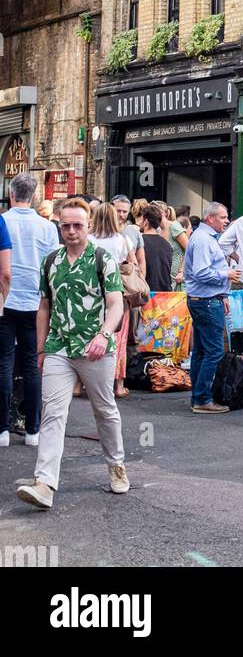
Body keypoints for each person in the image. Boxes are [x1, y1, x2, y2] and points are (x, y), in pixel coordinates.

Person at [15, 198, 128, 510]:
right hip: (58, 348)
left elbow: (116, 302)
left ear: (89, 226)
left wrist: (104, 335)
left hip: (96, 348)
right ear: (59, 226)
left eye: (78, 225)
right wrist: (40, 348)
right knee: (53, 413)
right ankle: (45, 483)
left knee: (105, 411)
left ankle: (116, 465)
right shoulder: (51, 261)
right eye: (65, 225)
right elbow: (44, 307)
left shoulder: (102, 259)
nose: (71, 231)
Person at [1, 172, 58, 449]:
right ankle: (33, 429)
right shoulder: (47, 227)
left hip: (5, 301)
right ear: (34, 196)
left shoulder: (3, 221)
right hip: (35, 303)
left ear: (11, 194)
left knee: (3, 364)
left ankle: (2, 429)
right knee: (33, 364)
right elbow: (52, 267)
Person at [183, 202, 242, 414]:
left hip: (206, 299)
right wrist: (225, 275)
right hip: (206, 301)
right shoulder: (202, 240)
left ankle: (199, 396)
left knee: (201, 351)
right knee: (214, 351)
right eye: (223, 217)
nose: (226, 220)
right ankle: (202, 398)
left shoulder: (204, 238)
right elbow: (201, 272)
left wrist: (223, 293)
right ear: (210, 218)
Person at [90, 202, 133, 399]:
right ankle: (118, 384)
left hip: (91, 295)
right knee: (118, 340)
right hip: (116, 294)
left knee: (90, 335)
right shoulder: (122, 241)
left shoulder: (88, 240)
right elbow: (131, 266)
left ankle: (82, 383)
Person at [139, 204, 174, 293]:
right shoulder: (167, 244)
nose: (139, 222)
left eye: (141, 219)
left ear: (146, 222)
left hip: (146, 294)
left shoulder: (140, 242)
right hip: (165, 296)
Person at [111, 196, 147, 281]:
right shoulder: (101, 231)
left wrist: (141, 282)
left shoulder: (134, 232)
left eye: (125, 212)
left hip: (129, 284)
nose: (121, 214)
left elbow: (141, 262)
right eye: (118, 211)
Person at [154, 202, 189, 288]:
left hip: (177, 279)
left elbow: (190, 249)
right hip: (164, 278)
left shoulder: (174, 226)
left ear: (162, 213)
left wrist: (181, 271)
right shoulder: (157, 230)